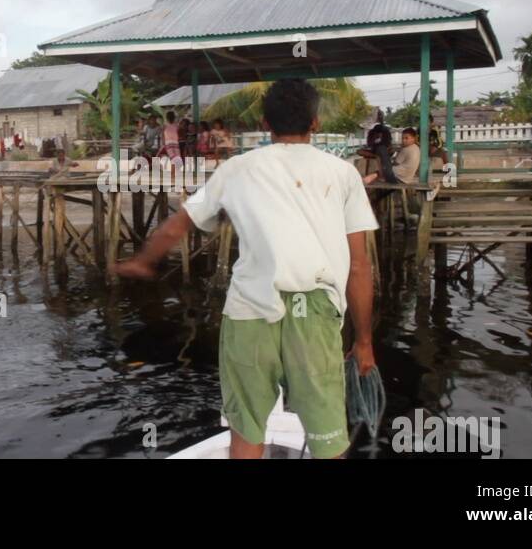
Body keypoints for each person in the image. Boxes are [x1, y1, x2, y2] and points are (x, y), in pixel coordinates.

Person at [114, 79, 379, 459]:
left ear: (265, 123)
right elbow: (359, 266)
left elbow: (176, 225)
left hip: (249, 311)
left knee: (246, 432)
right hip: (314, 313)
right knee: (328, 440)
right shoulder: (342, 173)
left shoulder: (236, 168)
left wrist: (142, 262)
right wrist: (364, 342)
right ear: (315, 123)